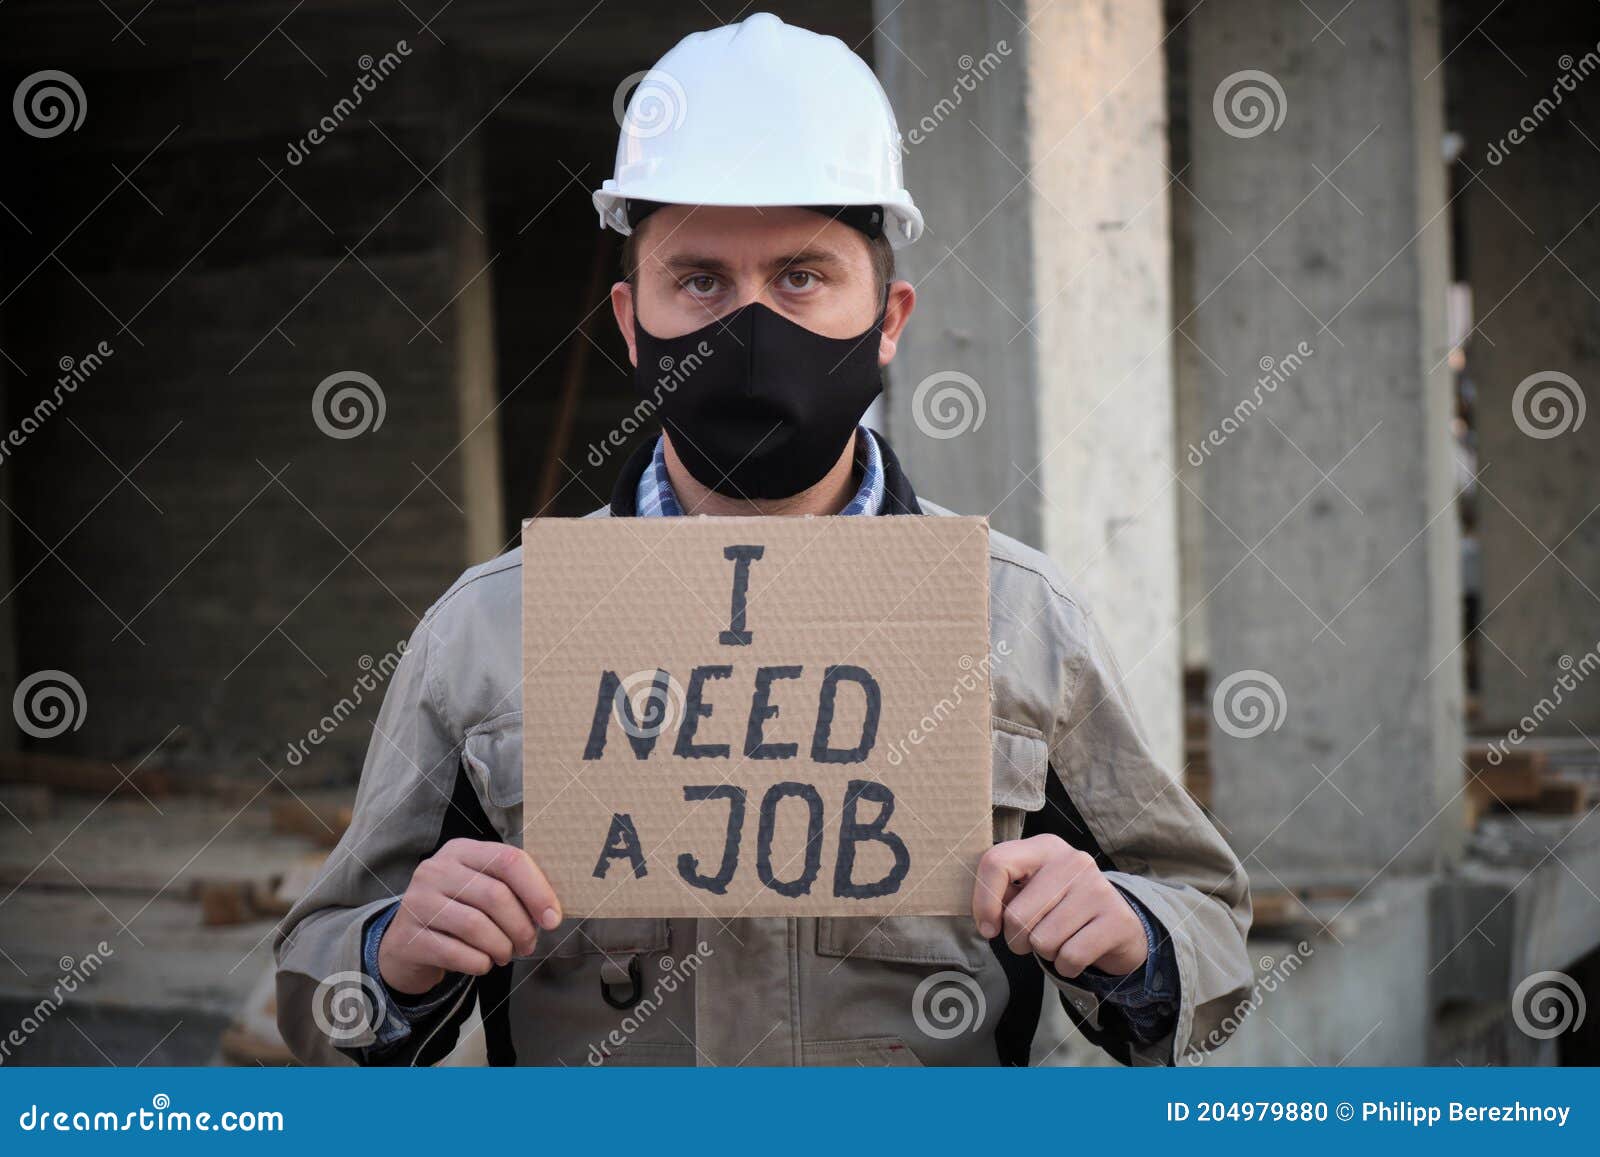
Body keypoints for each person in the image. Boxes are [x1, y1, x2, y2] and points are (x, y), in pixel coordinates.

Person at [275, 11, 1251, 1068]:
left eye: (800, 276)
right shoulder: (486, 632)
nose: (747, 330)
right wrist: (389, 960)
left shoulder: (1015, 618)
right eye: (698, 279)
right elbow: (321, 978)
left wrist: (1135, 942)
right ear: (628, 318)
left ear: (887, 317)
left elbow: (1206, 924)